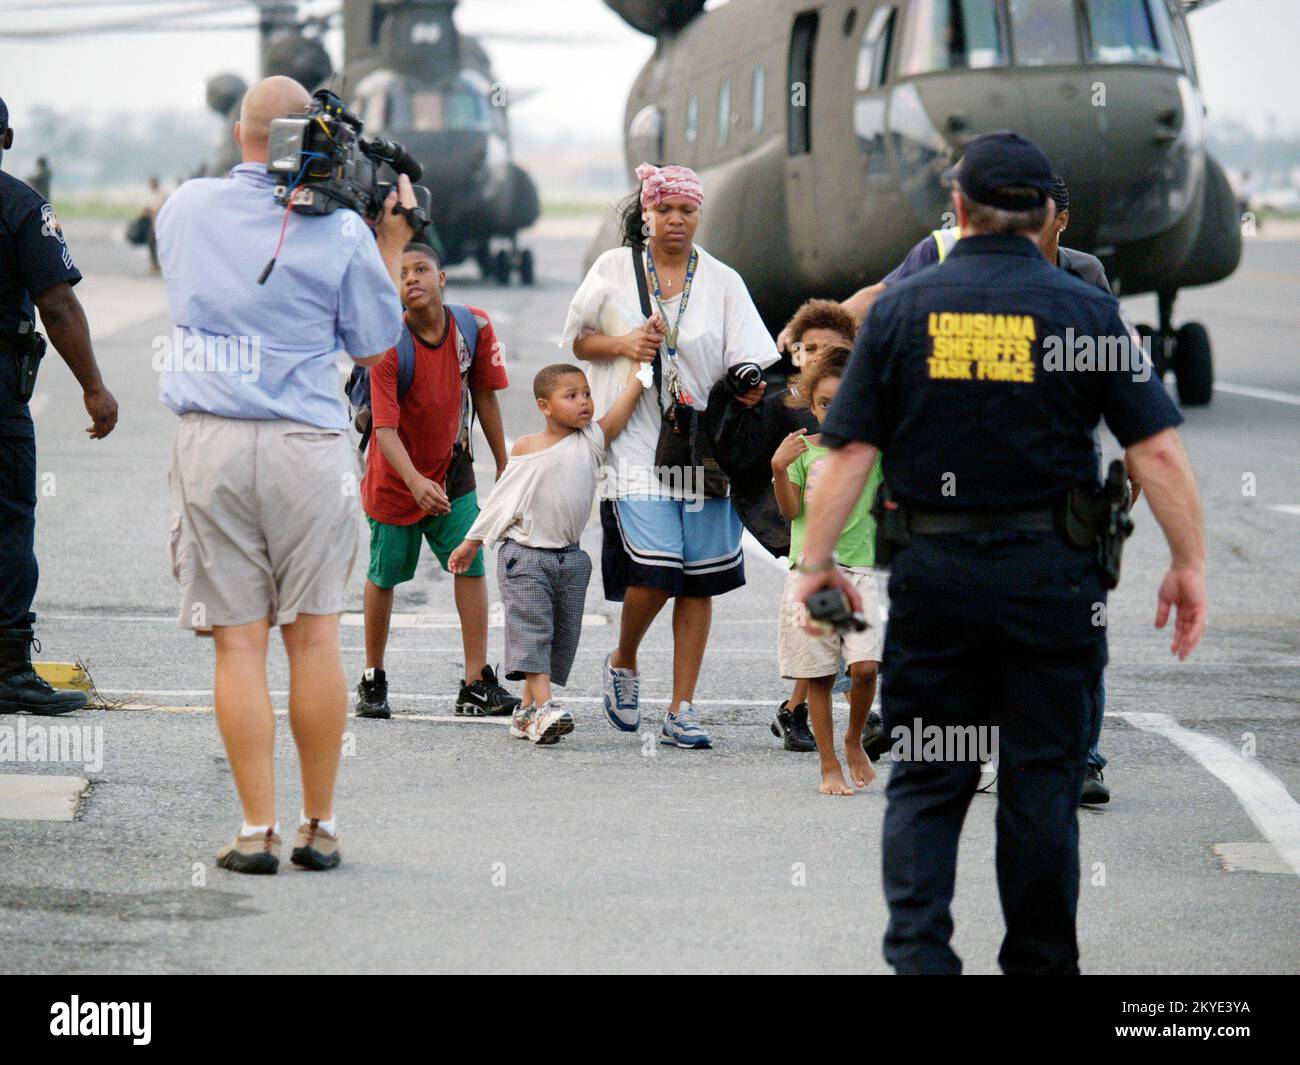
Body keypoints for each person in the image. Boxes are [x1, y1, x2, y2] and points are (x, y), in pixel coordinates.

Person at [793, 131, 1206, 974]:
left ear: (956, 212)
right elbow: (1156, 453)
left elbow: (847, 455)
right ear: (1050, 215)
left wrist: (816, 565)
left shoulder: (903, 310)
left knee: (930, 777)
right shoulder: (1084, 309)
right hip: (1052, 584)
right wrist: (1187, 562)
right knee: (1041, 782)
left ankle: (920, 959)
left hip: (937, 584)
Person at [786, 175, 1121, 805]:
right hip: (954, 485)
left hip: (1055, 476)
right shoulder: (939, 257)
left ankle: (1079, 757)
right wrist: (815, 340)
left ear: (1058, 220)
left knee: (1073, 625)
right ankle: (941, 750)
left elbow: (1116, 375)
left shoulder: (1083, 278)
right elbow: (873, 301)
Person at [154, 76, 415, 875]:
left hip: (213, 440)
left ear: (242, 135)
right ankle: (320, 825)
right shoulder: (340, 233)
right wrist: (391, 244)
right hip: (308, 446)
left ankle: (254, 829)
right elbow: (375, 346)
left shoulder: (185, 209)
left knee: (237, 643)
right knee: (312, 636)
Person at [562, 162, 776, 749]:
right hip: (635, 440)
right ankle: (623, 660)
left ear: (698, 215)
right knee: (656, 569)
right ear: (647, 214)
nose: (676, 220)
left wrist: (748, 385)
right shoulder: (613, 269)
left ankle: (683, 708)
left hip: (703, 447)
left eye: (686, 210)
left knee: (699, 581)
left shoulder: (724, 281)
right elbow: (579, 339)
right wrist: (624, 344)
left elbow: (747, 357)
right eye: (665, 210)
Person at [355, 242, 517, 721]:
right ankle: (373, 678)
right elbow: (383, 430)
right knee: (385, 577)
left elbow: (485, 396)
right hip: (395, 478)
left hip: (452, 469)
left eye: (421, 269)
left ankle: (475, 681)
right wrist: (413, 481)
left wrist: (504, 464)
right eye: (401, 274)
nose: (411, 279)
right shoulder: (388, 345)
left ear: (441, 278)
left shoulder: (474, 327)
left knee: (470, 563)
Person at [448, 364, 645, 744]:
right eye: (571, 396)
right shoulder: (527, 447)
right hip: (526, 556)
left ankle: (526, 714)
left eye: (586, 393)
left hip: (570, 560)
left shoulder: (591, 439)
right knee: (532, 631)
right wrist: (472, 541)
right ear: (545, 406)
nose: (583, 402)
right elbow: (503, 499)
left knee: (556, 639)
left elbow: (625, 403)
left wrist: (642, 367)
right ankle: (547, 707)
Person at [0, 95, 118, 716]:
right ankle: (8, 669)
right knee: (8, 520)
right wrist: (94, 388)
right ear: (7, 137)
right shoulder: (21, 206)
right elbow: (58, 305)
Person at [771, 345, 883, 794]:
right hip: (810, 575)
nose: (835, 412)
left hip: (858, 571)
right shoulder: (800, 452)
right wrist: (779, 469)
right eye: (824, 403)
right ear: (811, 405)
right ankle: (829, 764)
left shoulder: (872, 452)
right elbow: (789, 509)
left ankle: (855, 739)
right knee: (817, 675)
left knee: (866, 669)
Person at [144, 176, 167, 274]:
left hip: (160, 223)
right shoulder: (155, 194)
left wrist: (149, 210)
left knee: (155, 243)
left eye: (151, 183)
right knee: (152, 243)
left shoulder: (162, 193)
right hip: (154, 223)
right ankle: (155, 264)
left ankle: (157, 265)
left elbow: (158, 207)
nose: (150, 185)